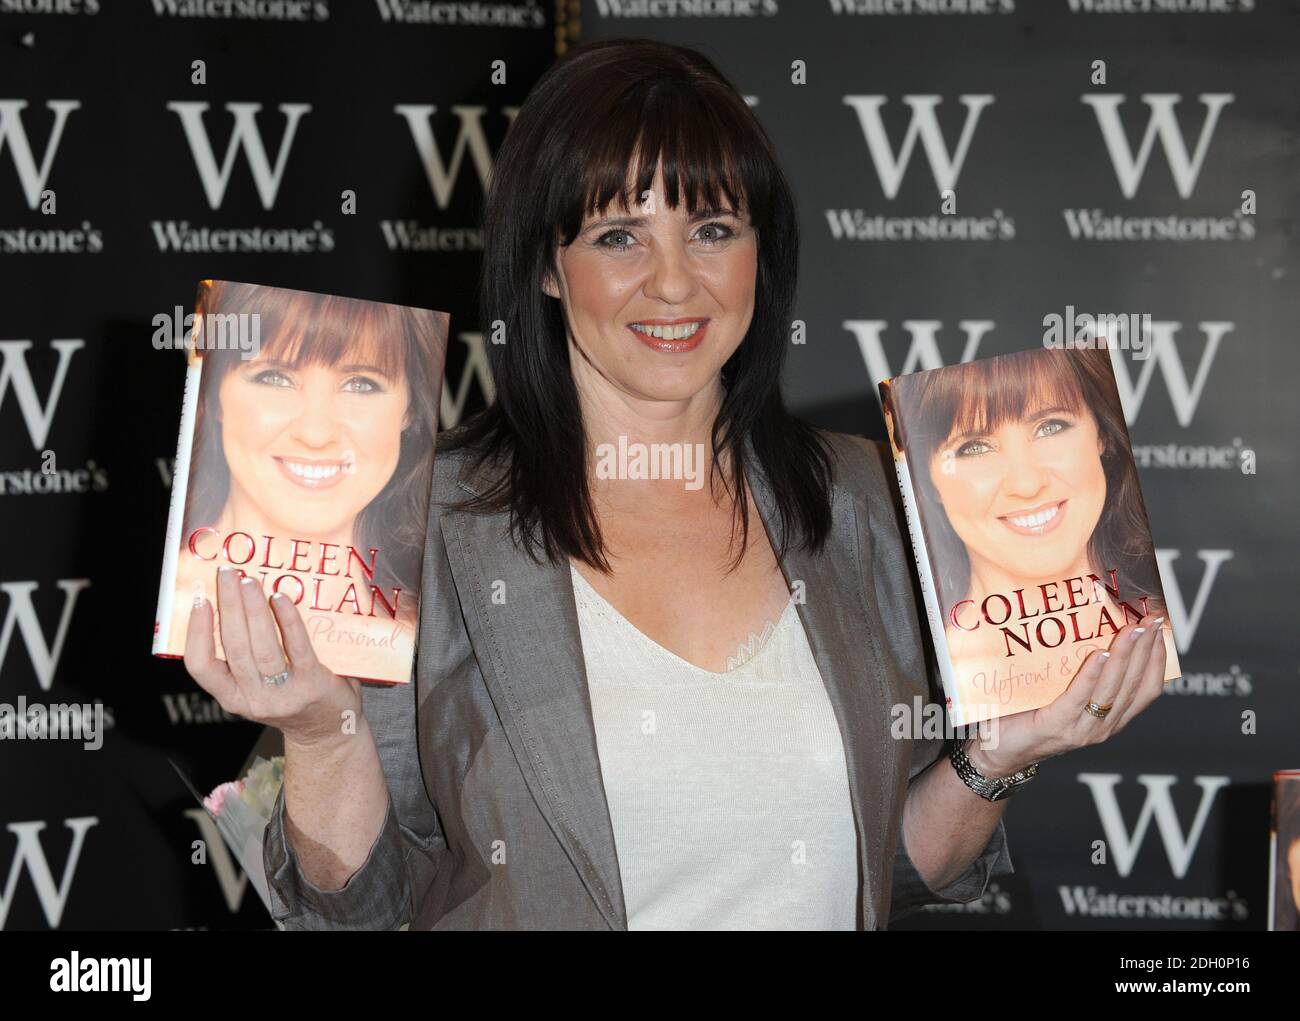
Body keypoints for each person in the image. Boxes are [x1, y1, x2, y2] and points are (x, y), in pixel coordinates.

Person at [182, 38, 1169, 930]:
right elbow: (359, 905)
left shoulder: (863, 498)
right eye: (618, 235)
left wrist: (995, 758)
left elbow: (890, 873)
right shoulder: (421, 520)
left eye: (711, 229)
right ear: (546, 266)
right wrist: (319, 733)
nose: (672, 283)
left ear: (760, 253)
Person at [881, 345, 1179, 717]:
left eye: (1051, 426)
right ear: (925, 480)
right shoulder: (904, 689)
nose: (1026, 483)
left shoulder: (1166, 633)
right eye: (974, 447)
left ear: (1101, 434)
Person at [170, 280, 440, 682]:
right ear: (214, 391)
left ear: (411, 409)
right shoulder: (164, 614)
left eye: (361, 384)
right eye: (274, 378)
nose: (316, 433)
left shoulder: (438, 639)